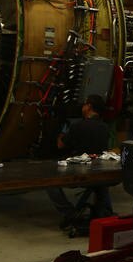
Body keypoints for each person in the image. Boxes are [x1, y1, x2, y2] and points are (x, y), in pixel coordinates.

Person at [46, 94, 114, 227]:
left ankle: (70, 213)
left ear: (89, 107)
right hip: (99, 173)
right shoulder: (105, 128)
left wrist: (61, 132)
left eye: (84, 104)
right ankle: (105, 211)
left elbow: (60, 145)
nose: (82, 107)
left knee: (49, 183)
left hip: (79, 173)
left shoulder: (78, 126)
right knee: (101, 184)